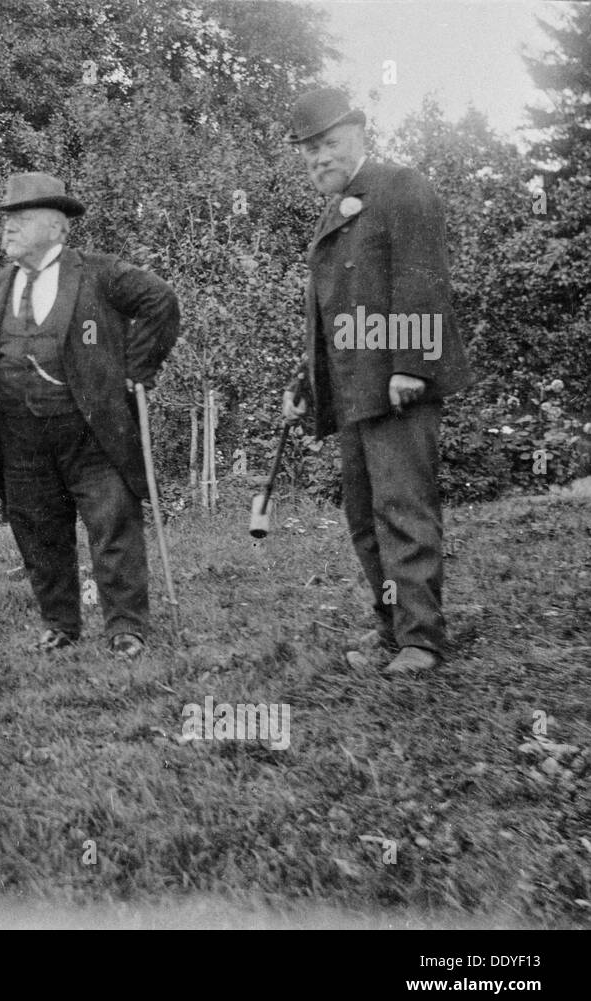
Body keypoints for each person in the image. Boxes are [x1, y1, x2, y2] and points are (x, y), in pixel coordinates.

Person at [281, 88, 473, 675]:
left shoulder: (400, 188)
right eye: (309, 151)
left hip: (396, 385)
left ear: (361, 135)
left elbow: (423, 279)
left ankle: (422, 640)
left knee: (403, 509)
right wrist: (306, 380)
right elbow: (331, 312)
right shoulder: (337, 208)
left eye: (329, 144)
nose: (319, 159)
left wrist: (411, 365)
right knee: (364, 517)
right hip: (353, 390)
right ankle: (394, 629)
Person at [0, 172, 180, 659]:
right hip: (19, 434)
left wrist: (136, 369)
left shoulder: (100, 274)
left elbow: (160, 302)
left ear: (58, 227)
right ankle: (59, 624)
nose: (8, 229)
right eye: (7, 220)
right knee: (37, 530)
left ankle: (126, 625)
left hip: (90, 429)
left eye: (20, 219)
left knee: (112, 524)